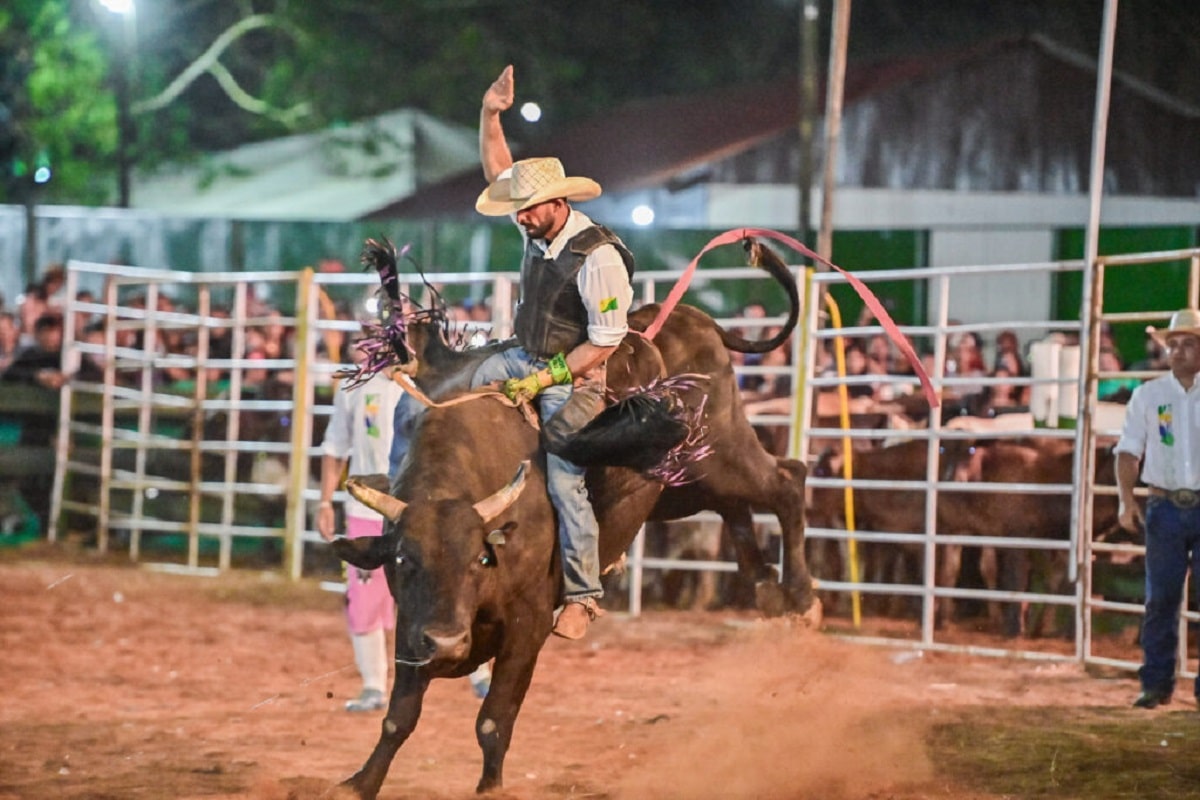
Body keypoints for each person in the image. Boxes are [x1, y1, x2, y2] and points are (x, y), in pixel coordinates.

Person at [471, 64, 635, 640]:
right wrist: (491, 113)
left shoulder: (599, 257)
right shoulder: (539, 227)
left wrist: (544, 382)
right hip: (523, 354)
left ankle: (584, 595)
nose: (520, 217)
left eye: (529, 208)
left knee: (565, 472)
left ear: (558, 204)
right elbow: (498, 170)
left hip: (575, 376)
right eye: (518, 209)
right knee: (457, 398)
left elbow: (605, 342)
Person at [1115, 308, 1200, 710]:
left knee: (1164, 598)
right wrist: (1126, 499)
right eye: (1174, 344)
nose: (1178, 351)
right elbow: (1128, 450)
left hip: (1174, 507)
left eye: (1188, 343)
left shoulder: (1150, 396)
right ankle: (1156, 682)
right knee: (1161, 598)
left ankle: (1163, 682)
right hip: (1163, 504)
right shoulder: (1149, 396)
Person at [317, 363, 404, 712]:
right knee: (364, 595)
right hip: (366, 509)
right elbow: (335, 446)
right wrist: (325, 501)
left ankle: (477, 674)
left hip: (415, 507)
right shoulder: (353, 387)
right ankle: (373, 685)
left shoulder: (421, 380)